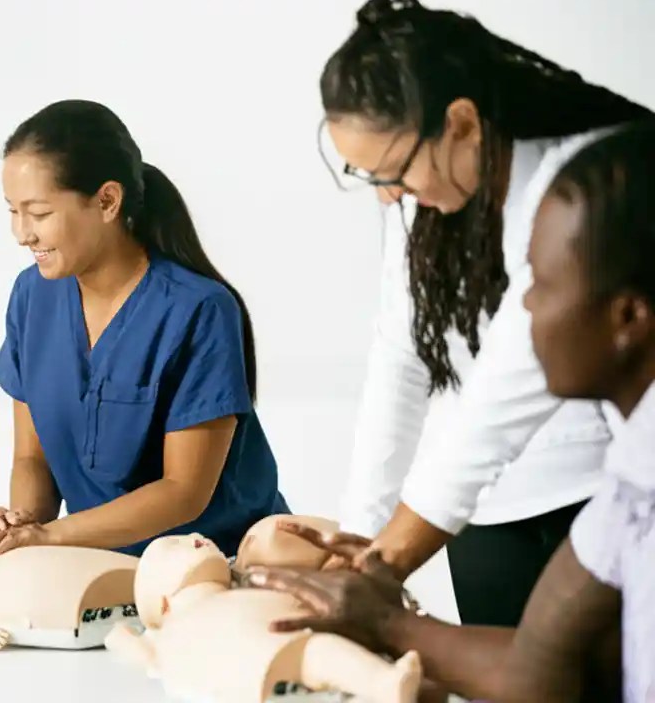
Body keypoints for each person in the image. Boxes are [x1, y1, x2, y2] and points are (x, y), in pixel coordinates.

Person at [252, 120, 655, 703]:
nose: (521, 313)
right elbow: (538, 664)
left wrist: (382, 591)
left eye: (539, 284)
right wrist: (380, 613)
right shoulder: (629, 486)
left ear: (629, 317)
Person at [319, 0, 652, 625]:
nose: (387, 199)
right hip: (482, 517)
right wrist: (358, 534)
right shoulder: (421, 200)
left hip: (596, 494)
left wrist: (385, 561)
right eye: (367, 177)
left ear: (464, 124)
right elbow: (401, 359)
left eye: (392, 171)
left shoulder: (583, 187)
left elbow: (505, 387)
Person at [0, 99, 288, 566]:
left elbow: (183, 492)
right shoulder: (33, 296)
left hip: (224, 567)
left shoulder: (200, 310)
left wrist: (50, 538)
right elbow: (32, 459)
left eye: (38, 213)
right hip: (101, 567)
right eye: (12, 211)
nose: (21, 233)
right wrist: (23, 524)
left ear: (107, 201)